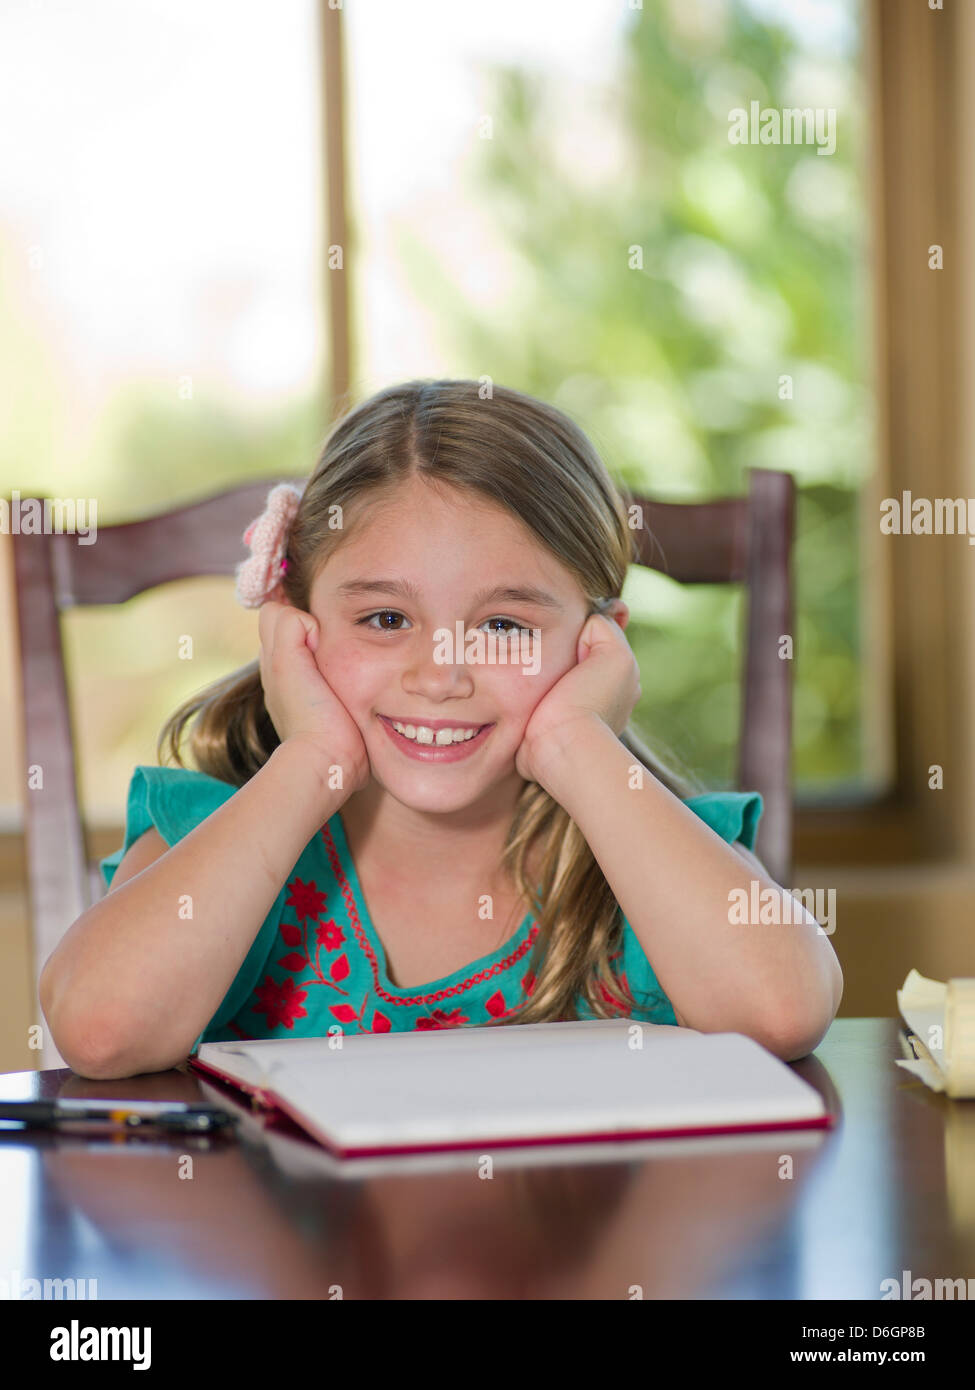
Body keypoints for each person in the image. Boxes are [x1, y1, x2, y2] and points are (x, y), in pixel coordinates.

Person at [39, 379, 842, 1078]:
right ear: (297, 631)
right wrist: (312, 756)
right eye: (385, 618)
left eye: (502, 626)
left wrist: (575, 742)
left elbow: (779, 1010)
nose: (440, 674)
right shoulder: (216, 841)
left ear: (600, 648)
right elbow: (99, 1033)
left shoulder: (648, 856)